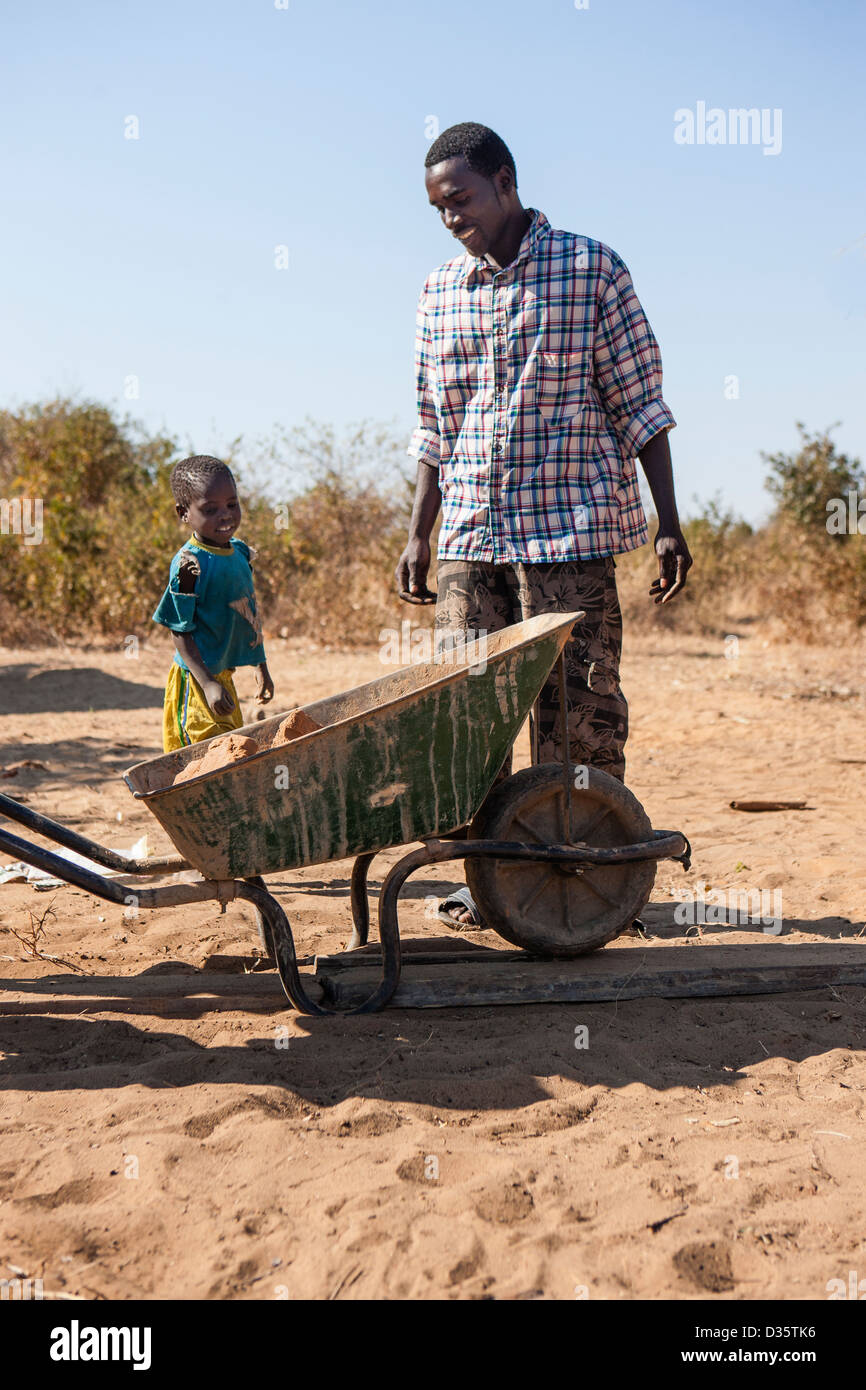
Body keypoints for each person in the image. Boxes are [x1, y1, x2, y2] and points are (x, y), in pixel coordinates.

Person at [394, 122, 692, 925]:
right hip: (468, 538)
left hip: (569, 535)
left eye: (460, 198)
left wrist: (669, 521)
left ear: (505, 181)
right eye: (438, 207)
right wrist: (419, 532)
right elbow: (434, 426)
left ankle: (591, 877)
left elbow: (641, 403)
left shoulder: (591, 268)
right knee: (467, 720)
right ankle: (491, 881)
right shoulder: (438, 293)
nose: (451, 217)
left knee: (579, 716)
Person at [153, 454, 274, 752]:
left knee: (232, 749)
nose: (225, 515)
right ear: (183, 513)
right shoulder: (189, 565)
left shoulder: (240, 554)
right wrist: (207, 683)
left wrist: (261, 666)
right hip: (195, 683)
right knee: (206, 754)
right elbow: (180, 631)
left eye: (232, 504)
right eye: (210, 509)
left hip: (223, 678)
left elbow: (248, 612)